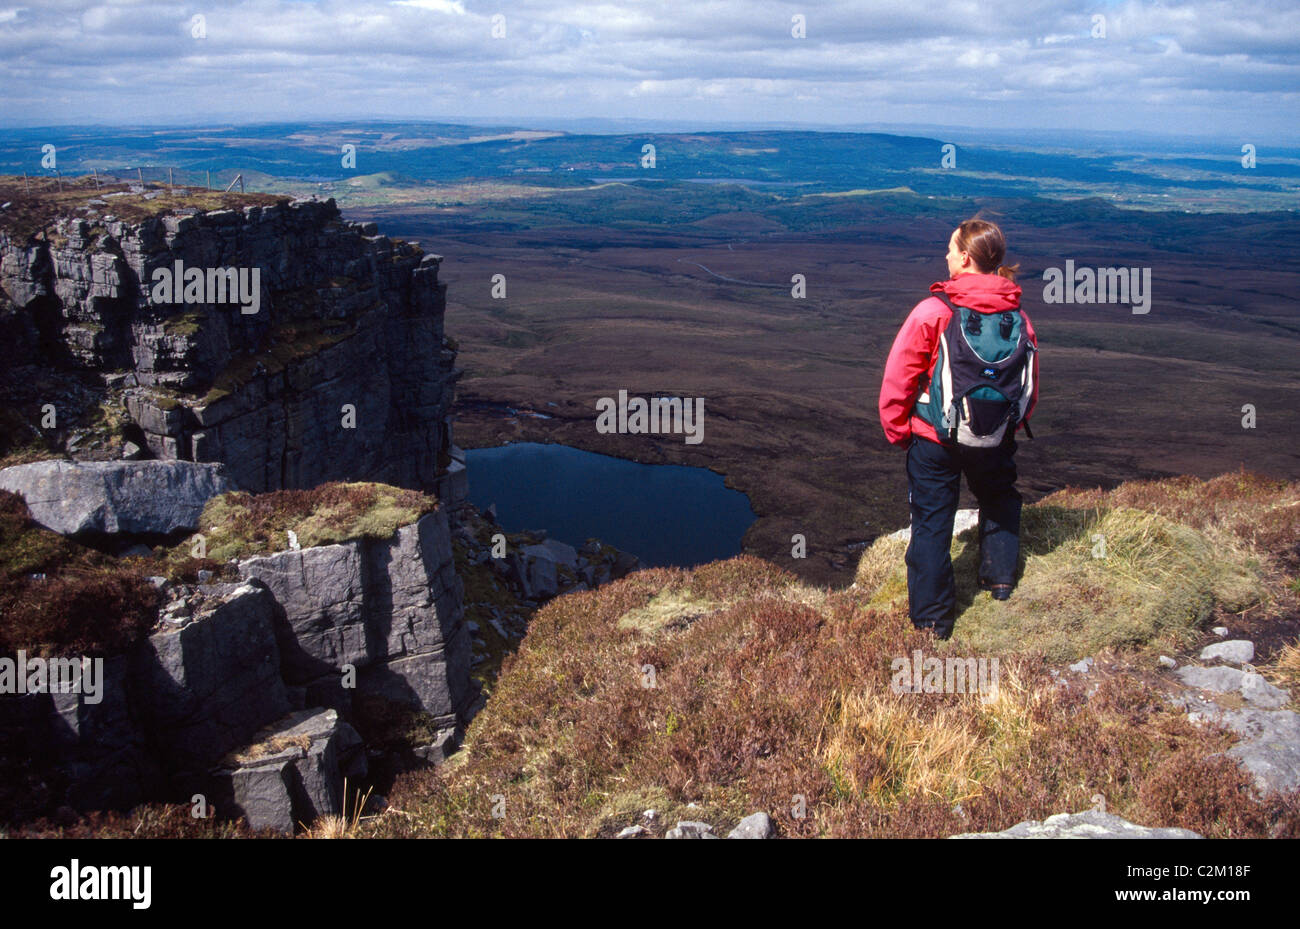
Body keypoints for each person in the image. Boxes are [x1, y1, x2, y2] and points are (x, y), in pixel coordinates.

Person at [878, 218, 1039, 639]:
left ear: (965, 258)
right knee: (999, 498)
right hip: (996, 436)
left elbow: (900, 377)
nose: (946, 255)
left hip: (934, 438)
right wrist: (1008, 426)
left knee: (932, 523)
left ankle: (932, 623)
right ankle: (1000, 581)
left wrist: (899, 431)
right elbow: (1029, 384)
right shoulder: (1017, 315)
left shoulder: (934, 311)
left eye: (951, 249)